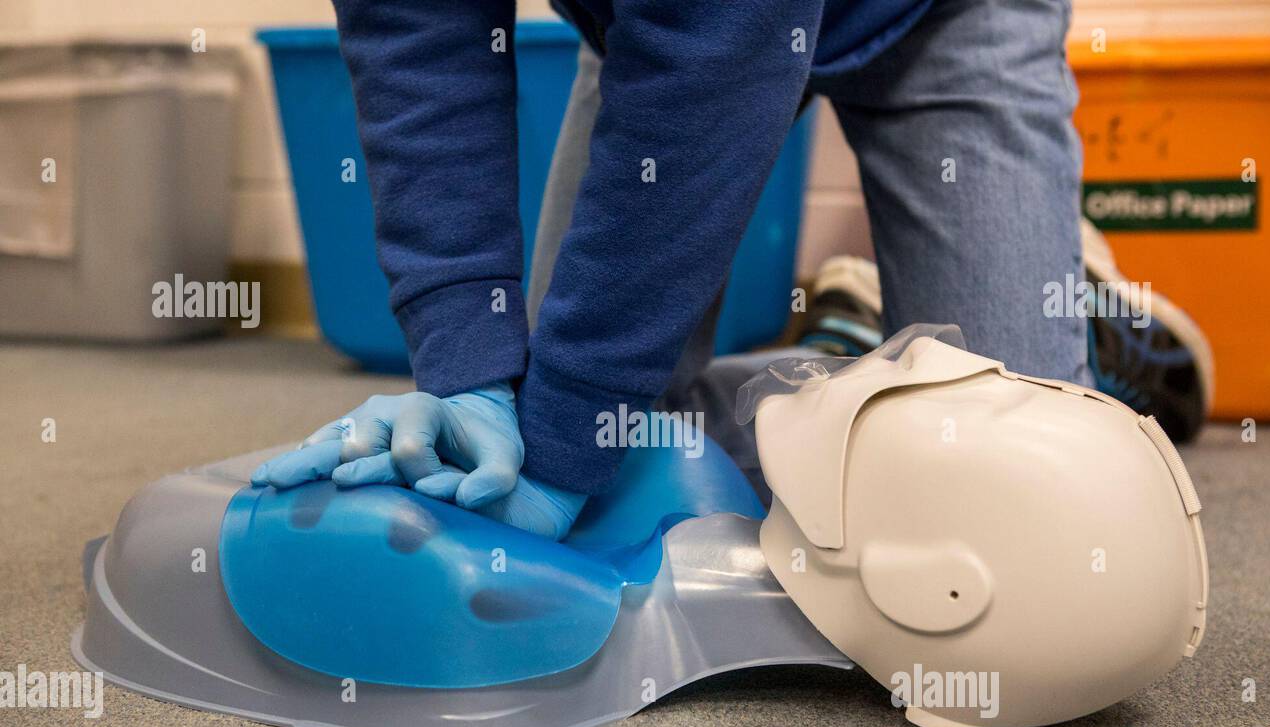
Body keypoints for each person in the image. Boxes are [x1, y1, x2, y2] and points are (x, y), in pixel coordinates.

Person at [253, 0, 1193, 539]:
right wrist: (464, 361)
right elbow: (418, 37)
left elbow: (723, 45)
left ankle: (1077, 329)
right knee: (604, 449)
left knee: (1030, 521)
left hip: (939, 14)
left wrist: (567, 420)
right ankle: (868, 344)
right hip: (654, 30)